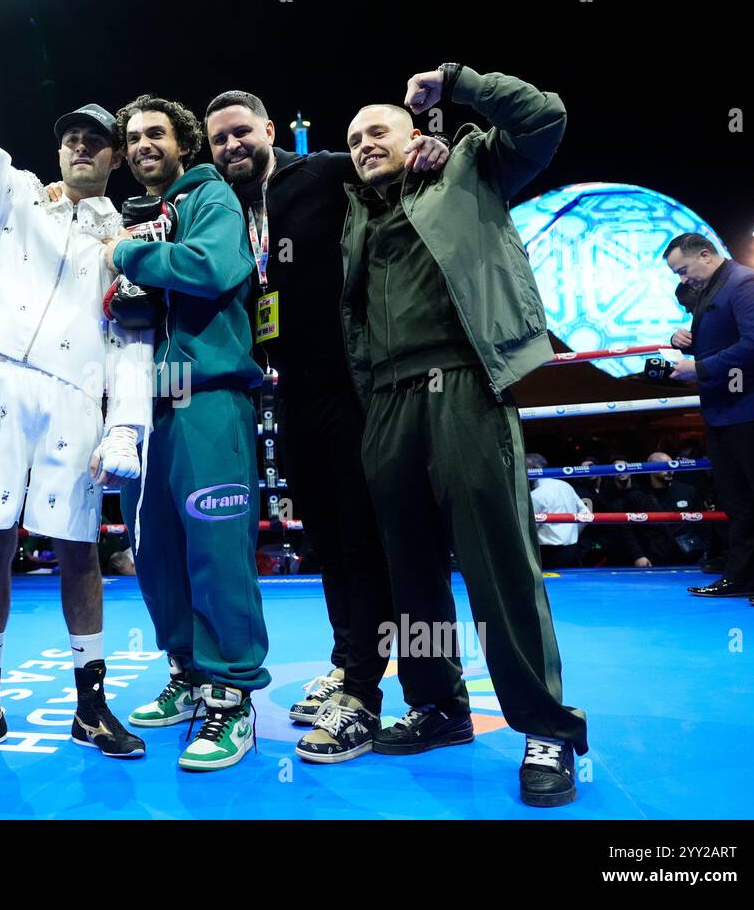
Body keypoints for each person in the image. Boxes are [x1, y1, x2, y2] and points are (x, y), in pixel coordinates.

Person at [0, 0, 154, 762]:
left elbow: (134, 337)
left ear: (113, 158)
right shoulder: (15, 194)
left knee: (80, 548)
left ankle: (92, 705)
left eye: (97, 142)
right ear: (58, 153)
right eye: (72, 139)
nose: (81, 148)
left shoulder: (131, 241)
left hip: (77, 393)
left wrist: (126, 426)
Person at [340, 65, 588, 806]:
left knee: (499, 563)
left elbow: (547, 115)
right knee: (411, 574)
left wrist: (456, 82)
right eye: (353, 140)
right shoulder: (359, 211)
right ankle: (440, 703)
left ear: (416, 134)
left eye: (377, 130)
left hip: (466, 386)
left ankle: (546, 726)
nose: (363, 145)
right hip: (387, 402)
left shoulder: (471, 164)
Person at [201, 90, 447, 762]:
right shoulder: (233, 206)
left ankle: (365, 697)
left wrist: (432, 149)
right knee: (329, 544)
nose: (232, 148)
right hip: (293, 395)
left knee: (364, 540)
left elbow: (389, 162)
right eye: (219, 140)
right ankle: (347, 665)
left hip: (357, 385)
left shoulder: (327, 170)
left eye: (241, 132)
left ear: (271, 129)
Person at [102, 93, 268, 772]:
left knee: (217, 549)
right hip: (148, 403)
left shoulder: (210, 198)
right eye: (134, 136)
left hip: (209, 394)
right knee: (158, 551)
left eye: (156, 134)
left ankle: (231, 696)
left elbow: (211, 269)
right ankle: (188, 672)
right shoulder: (141, 215)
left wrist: (127, 257)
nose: (144, 143)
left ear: (184, 143)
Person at [666, 233, 754, 605]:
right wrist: (681, 338)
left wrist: (699, 367)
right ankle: (741, 577)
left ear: (706, 254)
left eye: (684, 270)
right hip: (722, 410)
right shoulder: (709, 291)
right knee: (737, 503)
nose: (683, 279)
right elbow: (721, 336)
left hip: (752, 408)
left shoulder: (746, 281)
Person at [526, 453, 588, 569]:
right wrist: (572, 535)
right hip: (571, 548)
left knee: (550, 585)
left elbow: (531, 529)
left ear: (536, 469)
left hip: (547, 552)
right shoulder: (565, 485)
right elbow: (586, 515)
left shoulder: (536, 495)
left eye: (526, 469)